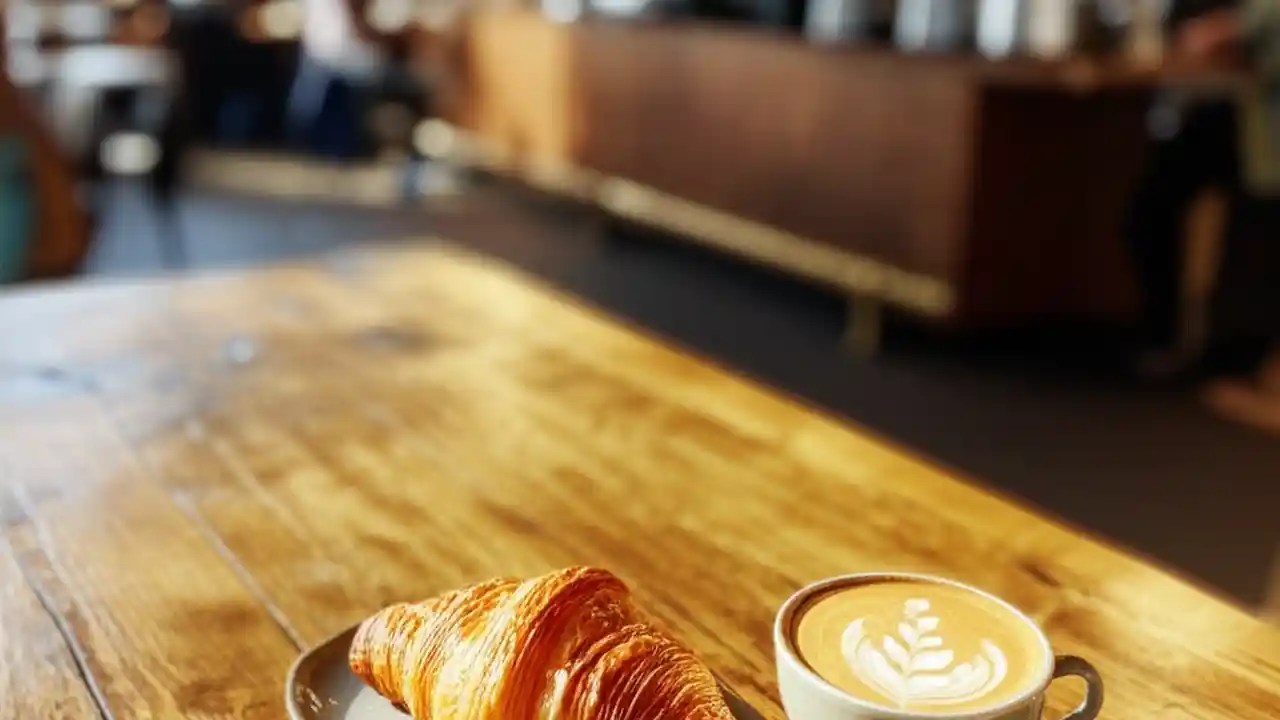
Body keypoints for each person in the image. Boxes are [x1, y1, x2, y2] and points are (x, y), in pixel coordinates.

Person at [1126, 0, 1280, 433]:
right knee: (1241, 234)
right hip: (1235, 109)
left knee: (1256, 238)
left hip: (1256, 117)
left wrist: (1233, 29)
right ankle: (1213, 356)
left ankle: (1233, 365)